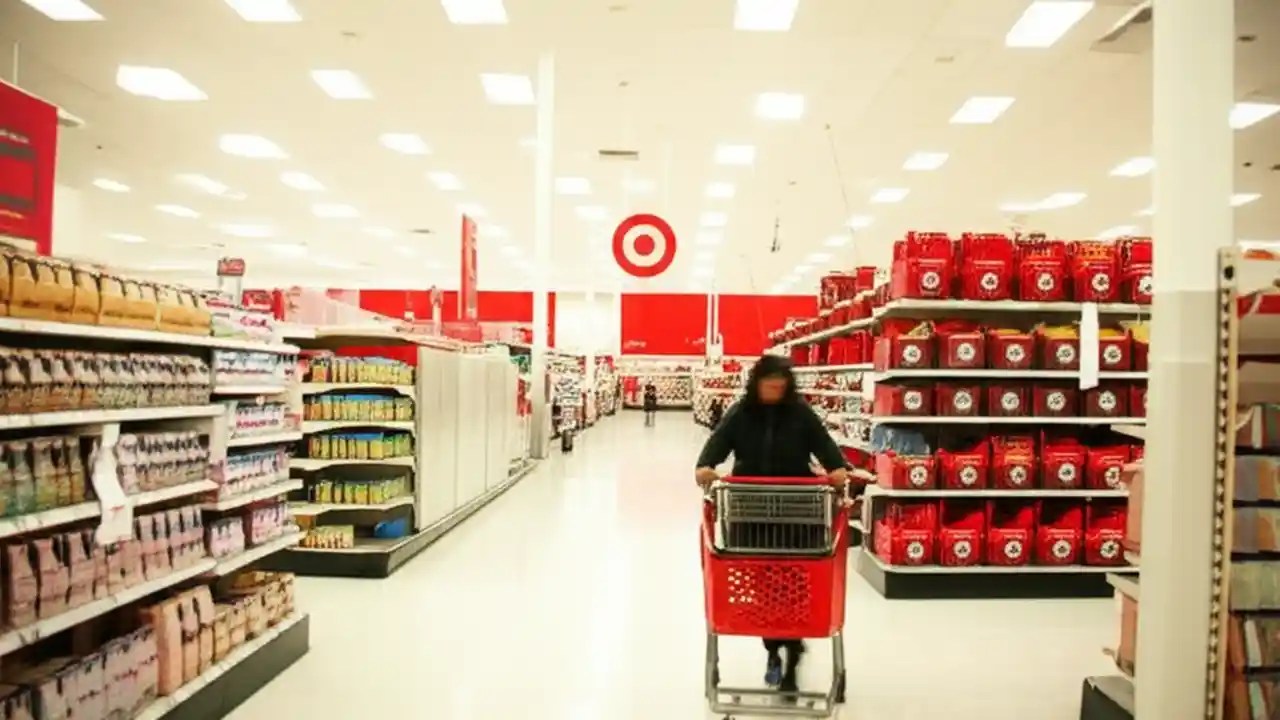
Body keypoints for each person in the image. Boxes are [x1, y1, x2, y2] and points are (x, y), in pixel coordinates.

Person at [694, 354, 849, 696]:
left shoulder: (801, 415)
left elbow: (826, 448)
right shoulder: (740, 414)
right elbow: (712, 452)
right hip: (750, 517)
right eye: (769, 385)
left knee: (795, 587)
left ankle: (790, 653)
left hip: (799, 516)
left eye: (781, 386)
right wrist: (705, 468)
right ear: (757, 383)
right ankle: (775, 650)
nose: (775, 391)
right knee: (765, 590)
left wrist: (838, 470)